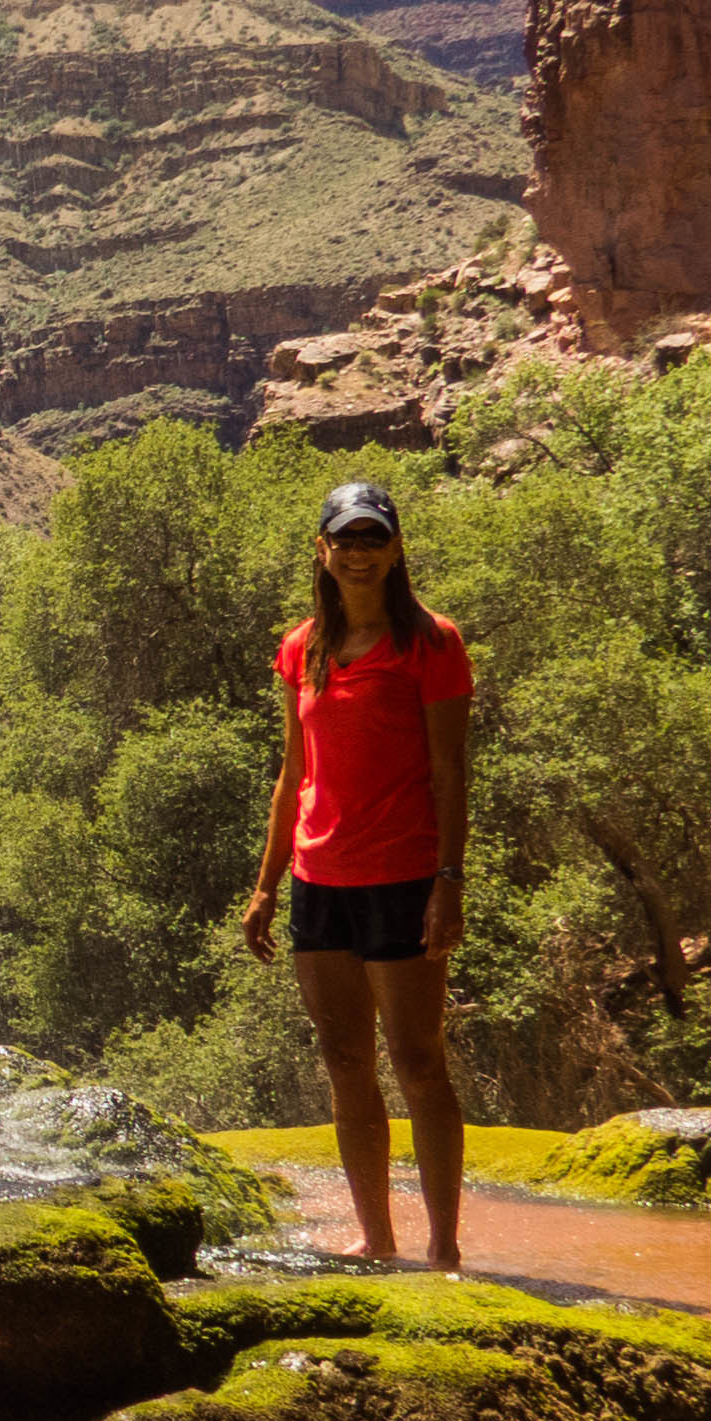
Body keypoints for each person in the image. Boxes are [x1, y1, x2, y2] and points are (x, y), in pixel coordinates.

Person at [241, 480, 474, 1269]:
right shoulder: (301, 648)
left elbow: (450, 770)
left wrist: (449, 881)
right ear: (323, 550)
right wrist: (267, 884)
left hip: (403, 875)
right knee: (345, 1061)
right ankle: (376, 1238)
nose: (360, 553)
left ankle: (443, 1247)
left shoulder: (431, 643)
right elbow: (292, 772)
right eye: (346, 539)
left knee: (418, 1061)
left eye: (374, 538)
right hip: (320, 879)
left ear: (396, 549)